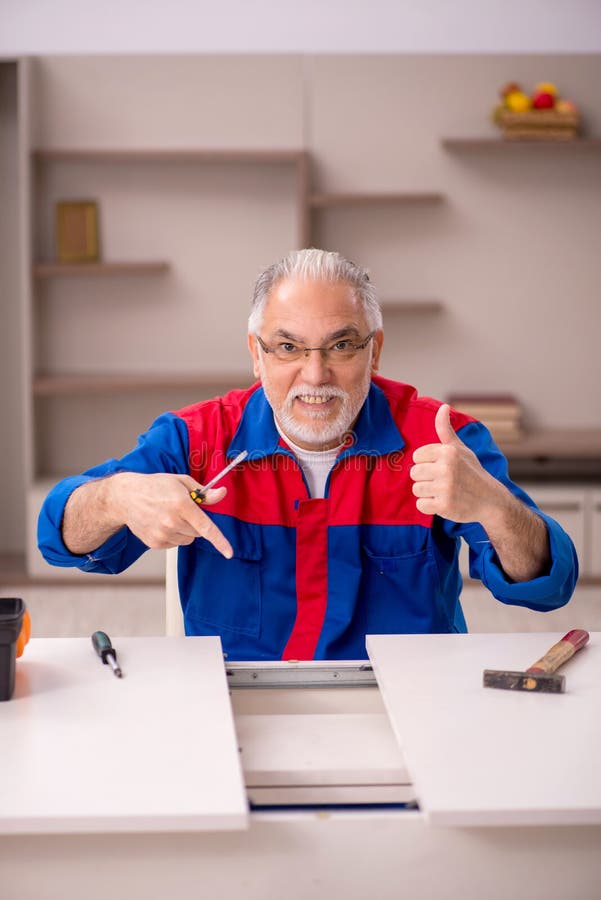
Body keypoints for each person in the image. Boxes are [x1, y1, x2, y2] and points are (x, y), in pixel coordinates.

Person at [38, 249, 577, 660]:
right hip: (238, 701)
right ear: (256, 354)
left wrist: (495, 508)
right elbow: (59, 537)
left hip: (407, 699)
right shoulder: (195, 438)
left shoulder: (443, 439)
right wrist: (117, 497)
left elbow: (546, 586)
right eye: (288, 347)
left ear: (375, 350)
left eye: (341, 345)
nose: (315, 375)